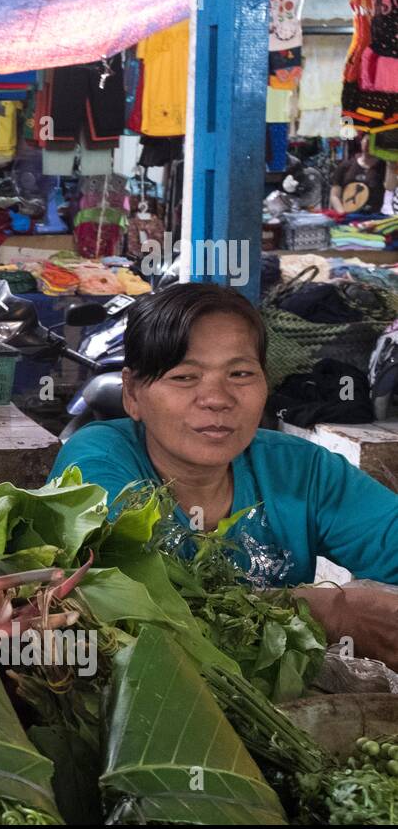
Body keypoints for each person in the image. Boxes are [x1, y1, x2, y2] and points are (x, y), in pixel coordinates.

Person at [52, 283, 398, 666]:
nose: (217, 398)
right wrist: (324, 611)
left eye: (240, 373)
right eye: (185, 377)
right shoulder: (98, 460)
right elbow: (128, 610)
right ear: (132, 394)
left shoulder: (301, 470)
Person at [329, 134, 387, 214]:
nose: (367, 145)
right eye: (366, 141)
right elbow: (334, 195)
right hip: (347, 216)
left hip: (373, 218)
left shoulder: (384, 167)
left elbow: (390, 189)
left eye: (371, 142)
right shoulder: (346, 165)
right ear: (361, 142)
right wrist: (342, 214)